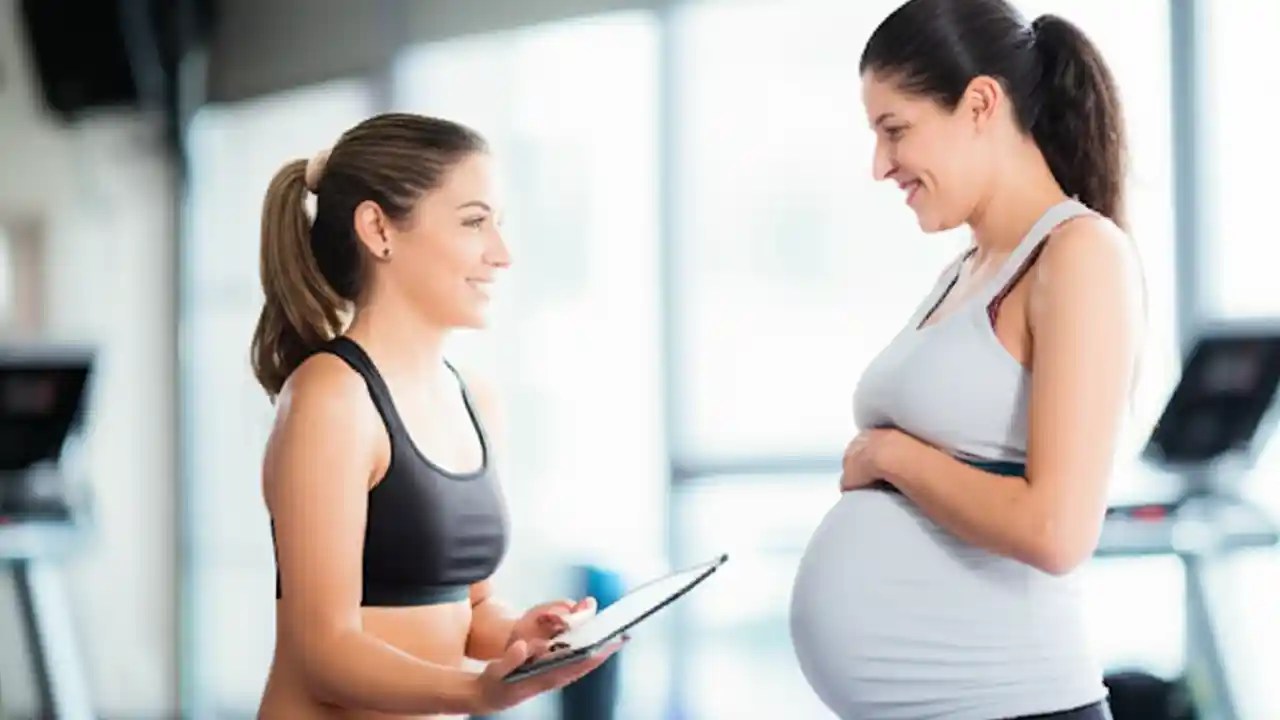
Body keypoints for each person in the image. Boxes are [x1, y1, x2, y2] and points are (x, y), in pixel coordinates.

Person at [789, 1, 1144, 718]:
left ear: (981, 102)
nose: (881, 165)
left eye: (896, 130)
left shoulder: (1078, 254)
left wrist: (891, 457)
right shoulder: (967, 268)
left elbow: (1057, 530)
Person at [251, 112, 621, 719]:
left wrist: (523, 637)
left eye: (498, 225)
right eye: (474, 222)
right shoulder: (332, 396)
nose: (501, 254)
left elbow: (467, 610)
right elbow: (322, 650)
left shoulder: (474, 399)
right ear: (378, 229)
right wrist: (478, 692)